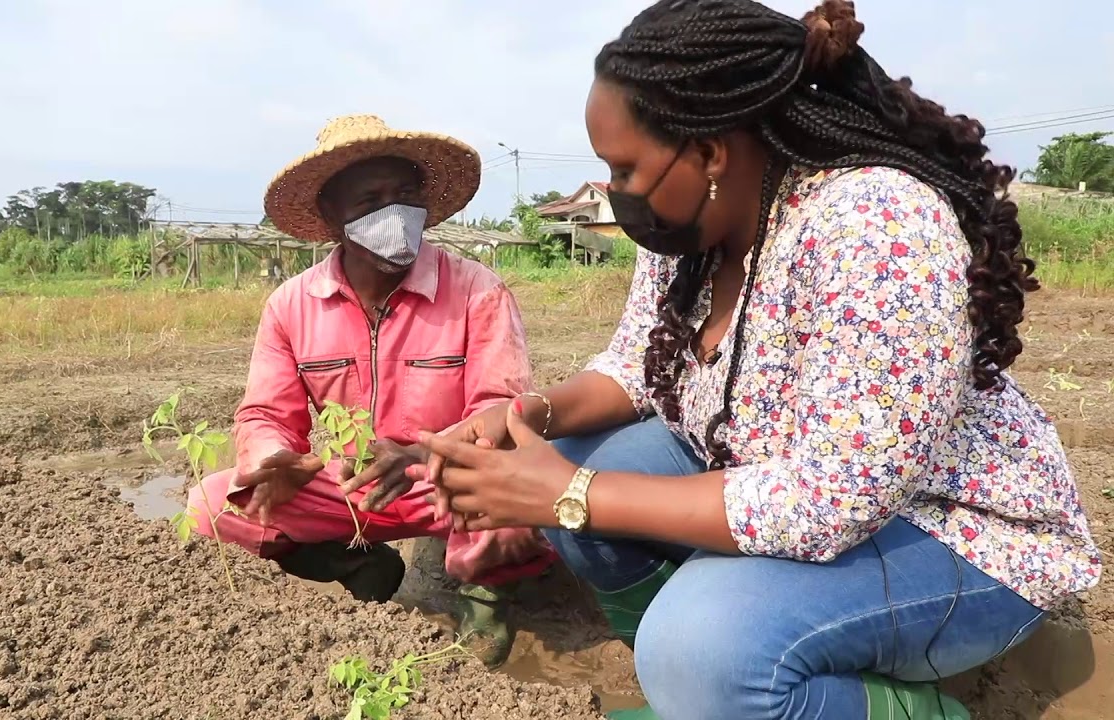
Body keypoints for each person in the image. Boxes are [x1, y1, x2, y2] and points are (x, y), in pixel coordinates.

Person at [415, 2, 1101, 718]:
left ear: (710, 153)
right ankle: (710, 689)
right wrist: (529, 413)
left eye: (624, 168)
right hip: (778, 486)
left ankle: (827, 693)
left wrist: (573, 492)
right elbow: (630, 369)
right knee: (571, 456)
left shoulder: (875, 226)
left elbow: (829, 503)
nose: (614, 193)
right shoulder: (691, 234)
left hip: (952, 533)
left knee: (700, 644)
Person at [186, 115, 553, 667]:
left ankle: (484, 595)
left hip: (449, 478)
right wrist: (272, 458)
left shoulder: (478, 290)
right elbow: (265, 412)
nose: (395, 214)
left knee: (529, 490)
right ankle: (358, 564)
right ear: (333, 217)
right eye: (371, 199)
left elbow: (499, 406)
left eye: (405, 194)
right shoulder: (292, 305)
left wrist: (431, 451)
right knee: (212, 507)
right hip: (349, 485)